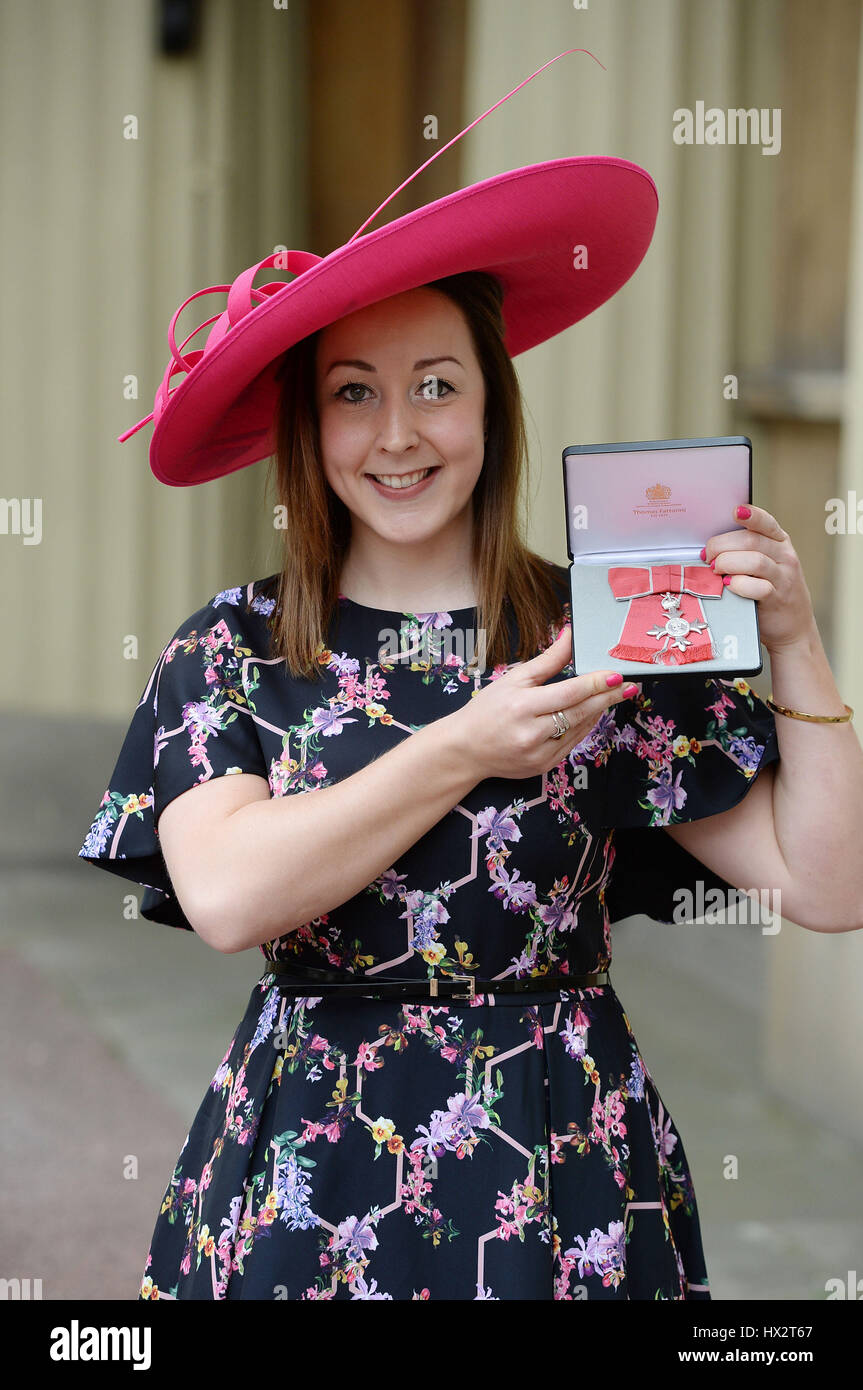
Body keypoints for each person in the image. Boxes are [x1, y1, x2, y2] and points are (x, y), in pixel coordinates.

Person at [77, 54, 862, 1301]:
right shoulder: (231, 647)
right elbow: (228, 899)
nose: (397, 433)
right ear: (308, 427)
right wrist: (466, 744)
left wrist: (797, 643)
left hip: (566, 1173)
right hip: (305, 1175)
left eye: (435, 387)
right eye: (354, 393)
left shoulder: (596, 631)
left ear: (490, 409)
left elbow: (826, 886)